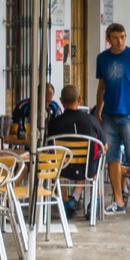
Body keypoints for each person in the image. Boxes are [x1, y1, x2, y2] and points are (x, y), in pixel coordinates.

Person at [93, 22, 130, 218]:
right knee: (112, 159)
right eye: (116, 38)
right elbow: (101, 87)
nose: (120, 41)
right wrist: (98, 112)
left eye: (123, 37)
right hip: (109, 116)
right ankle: (118, 201)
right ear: (108, 39)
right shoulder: (102, 59)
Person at [45, 85, 106, 217]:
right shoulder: (91, 121)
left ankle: (67, 201)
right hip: (87, 169)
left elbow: (50, 148)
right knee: (94, 158)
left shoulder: (54, 123)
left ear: (61, 100)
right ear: (79, 99)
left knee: (56, 163)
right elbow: (104, 146)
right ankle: (93, 200)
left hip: (63, 168)